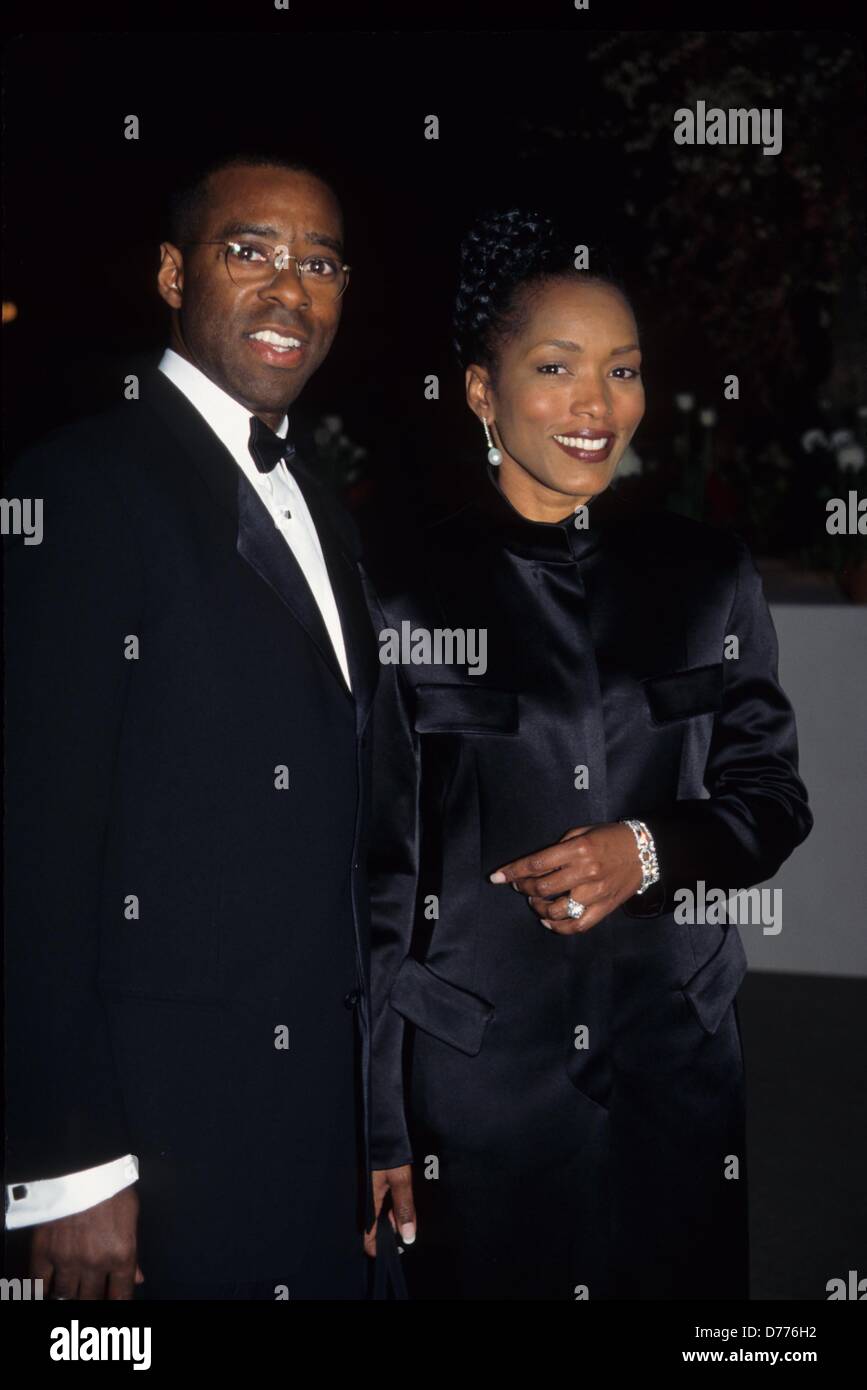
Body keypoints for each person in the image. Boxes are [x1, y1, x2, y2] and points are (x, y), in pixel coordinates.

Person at [366, 209, 813, 1300]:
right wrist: (377, 1116)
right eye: (555, 367)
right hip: (473, 1089)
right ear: (481, 390)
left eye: (622, 370)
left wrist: (651, 850)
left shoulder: (707, 573)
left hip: (678, 1066)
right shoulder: (400, 586)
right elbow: (371, 874)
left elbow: (772, 800)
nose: (595, 404)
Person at [4, 154, 381, 1299]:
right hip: (154, 1130)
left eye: (318, 262)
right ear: (174, 273)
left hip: (310, 1112)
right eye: (249, 250)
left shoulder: (320, 499)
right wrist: (67, 1159)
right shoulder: (78, 485)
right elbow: (31, 838)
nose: (289, 287)